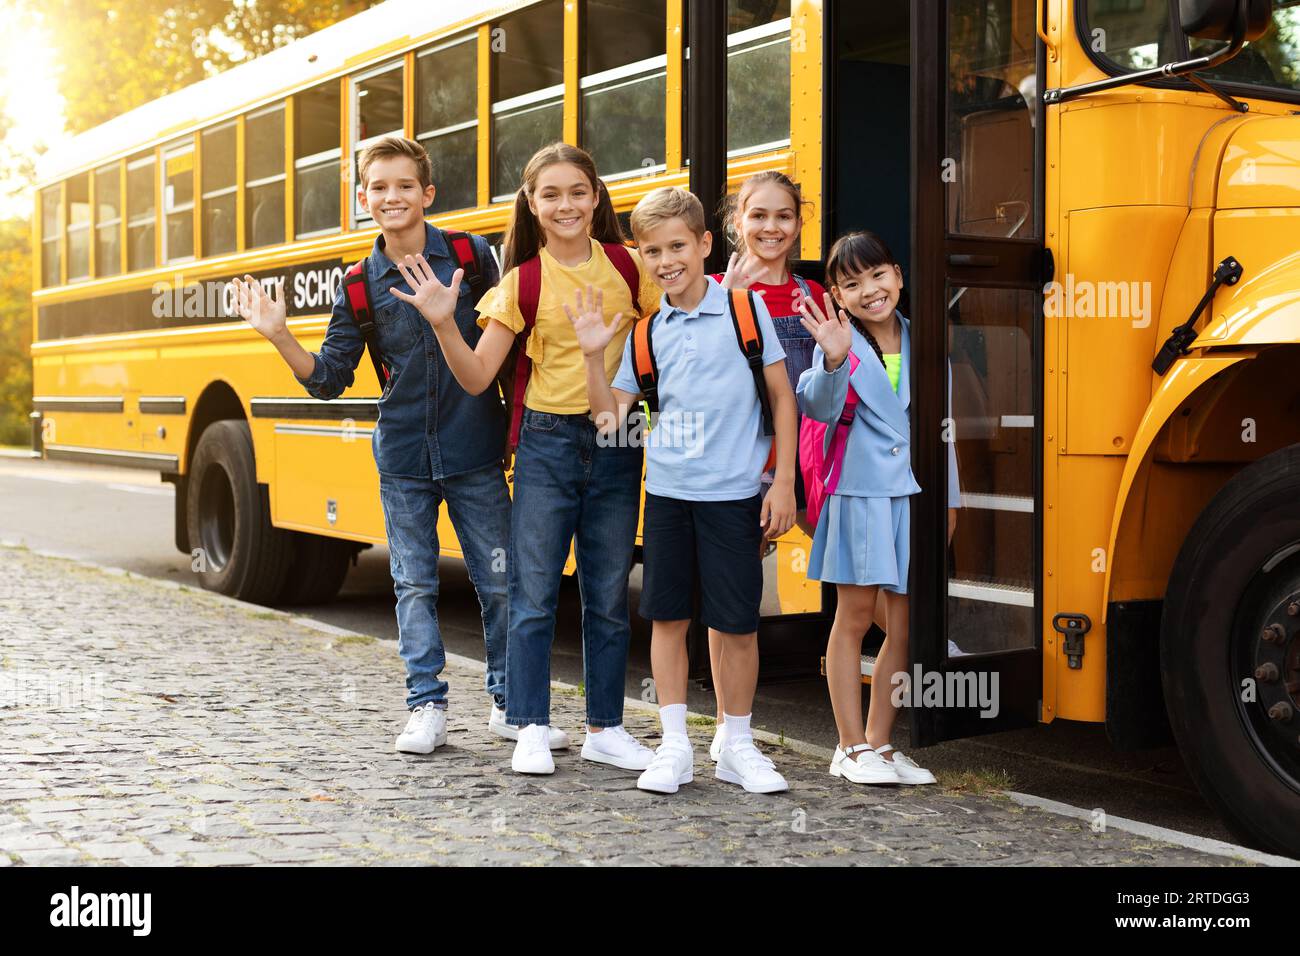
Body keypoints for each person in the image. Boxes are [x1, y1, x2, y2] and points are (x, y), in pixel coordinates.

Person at [229, 136, 543, 756]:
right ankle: (426, 705)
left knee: (502, 581)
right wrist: (279, 337)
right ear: (362, 199)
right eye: (379, 187)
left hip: (474, 449)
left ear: (427, 194)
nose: (392, 196)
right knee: (414, 583)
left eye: (405, 185)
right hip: (401, 457)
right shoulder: (357, 284)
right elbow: (327, 378)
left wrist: (516, 430)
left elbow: (508, 348)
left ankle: (508, 702)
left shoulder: (470, 257)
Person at [398, 143, 659, 776]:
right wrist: (442, 323)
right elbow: (478, 373)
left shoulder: (629, 268)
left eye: (577, 192)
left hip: (618, 440)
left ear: (596, 198)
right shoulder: (524, 283)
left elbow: (675, 328)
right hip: (546, 443)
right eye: (551, 194)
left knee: (605, 593)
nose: (565, 204)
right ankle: (531, 724)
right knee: (535, 592)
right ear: (533, 204)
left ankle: (605, 726)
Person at [574, 185, 798, 794]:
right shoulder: (647, 335)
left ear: (704, 244)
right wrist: (595, 357)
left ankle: (738, 745)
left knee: (736, 624)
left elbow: (782, 397)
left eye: (677, 245)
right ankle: (674, 747)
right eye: (652, 251)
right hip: (670, 495)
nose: (666, 260)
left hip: (735, 496)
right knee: (668, 618)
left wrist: (783, 482)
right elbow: (609, 421)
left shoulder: (747, 312)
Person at [796, 230, 959, 786]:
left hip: (913, 497)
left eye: (878, 274)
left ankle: (881, 745)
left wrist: (950, 500)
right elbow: (816, 404)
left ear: (899, 275)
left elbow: (944, 428)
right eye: (852, 283)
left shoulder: (925, 338)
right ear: (837, 297)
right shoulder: (839, 344)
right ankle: (847, 746)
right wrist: (835, 359)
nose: (869, 289)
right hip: (861, 495)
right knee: (855, 616)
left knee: (908, 626)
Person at [706, 170, 828, 762]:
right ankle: (731, 728)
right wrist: (722, 303)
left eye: (784, 216)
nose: (771, 227)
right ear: (736, 223)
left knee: (856, 568)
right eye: (758, 216)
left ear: (800, 223)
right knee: (735, 597)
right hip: (746, 464)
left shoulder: (817, 296)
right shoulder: (710, 291)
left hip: (811, 461)